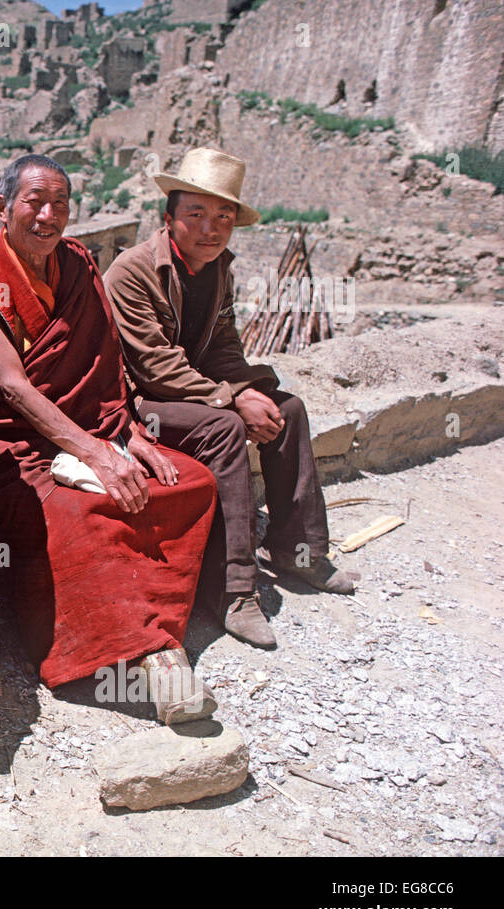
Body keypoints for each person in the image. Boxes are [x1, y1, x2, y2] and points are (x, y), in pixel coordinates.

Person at [0, 154, 220, 725]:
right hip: (8, 444)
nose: (48, 215)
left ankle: (159, 613)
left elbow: (102, 362)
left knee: (189, 481)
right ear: (2, 208)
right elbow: (15, 388)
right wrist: (94, 453)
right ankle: (143, 654)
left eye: (60, 204)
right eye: (34, 202)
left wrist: (127, 432)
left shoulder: (77, 264)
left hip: (85, 430)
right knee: (80, 514)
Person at [103, 147, 355, 649]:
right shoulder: (132, 272)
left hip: (193, 392)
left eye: (224, 217)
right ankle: (233, 589)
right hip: (139, 405)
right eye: (195, 214)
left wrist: (247, 390)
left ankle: (296, 550)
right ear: (168, 217)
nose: (210, 229)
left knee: (289, 409)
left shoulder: (217, 271)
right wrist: (233, 402)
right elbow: (154, 366)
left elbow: (222, 349)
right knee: (225, 428)